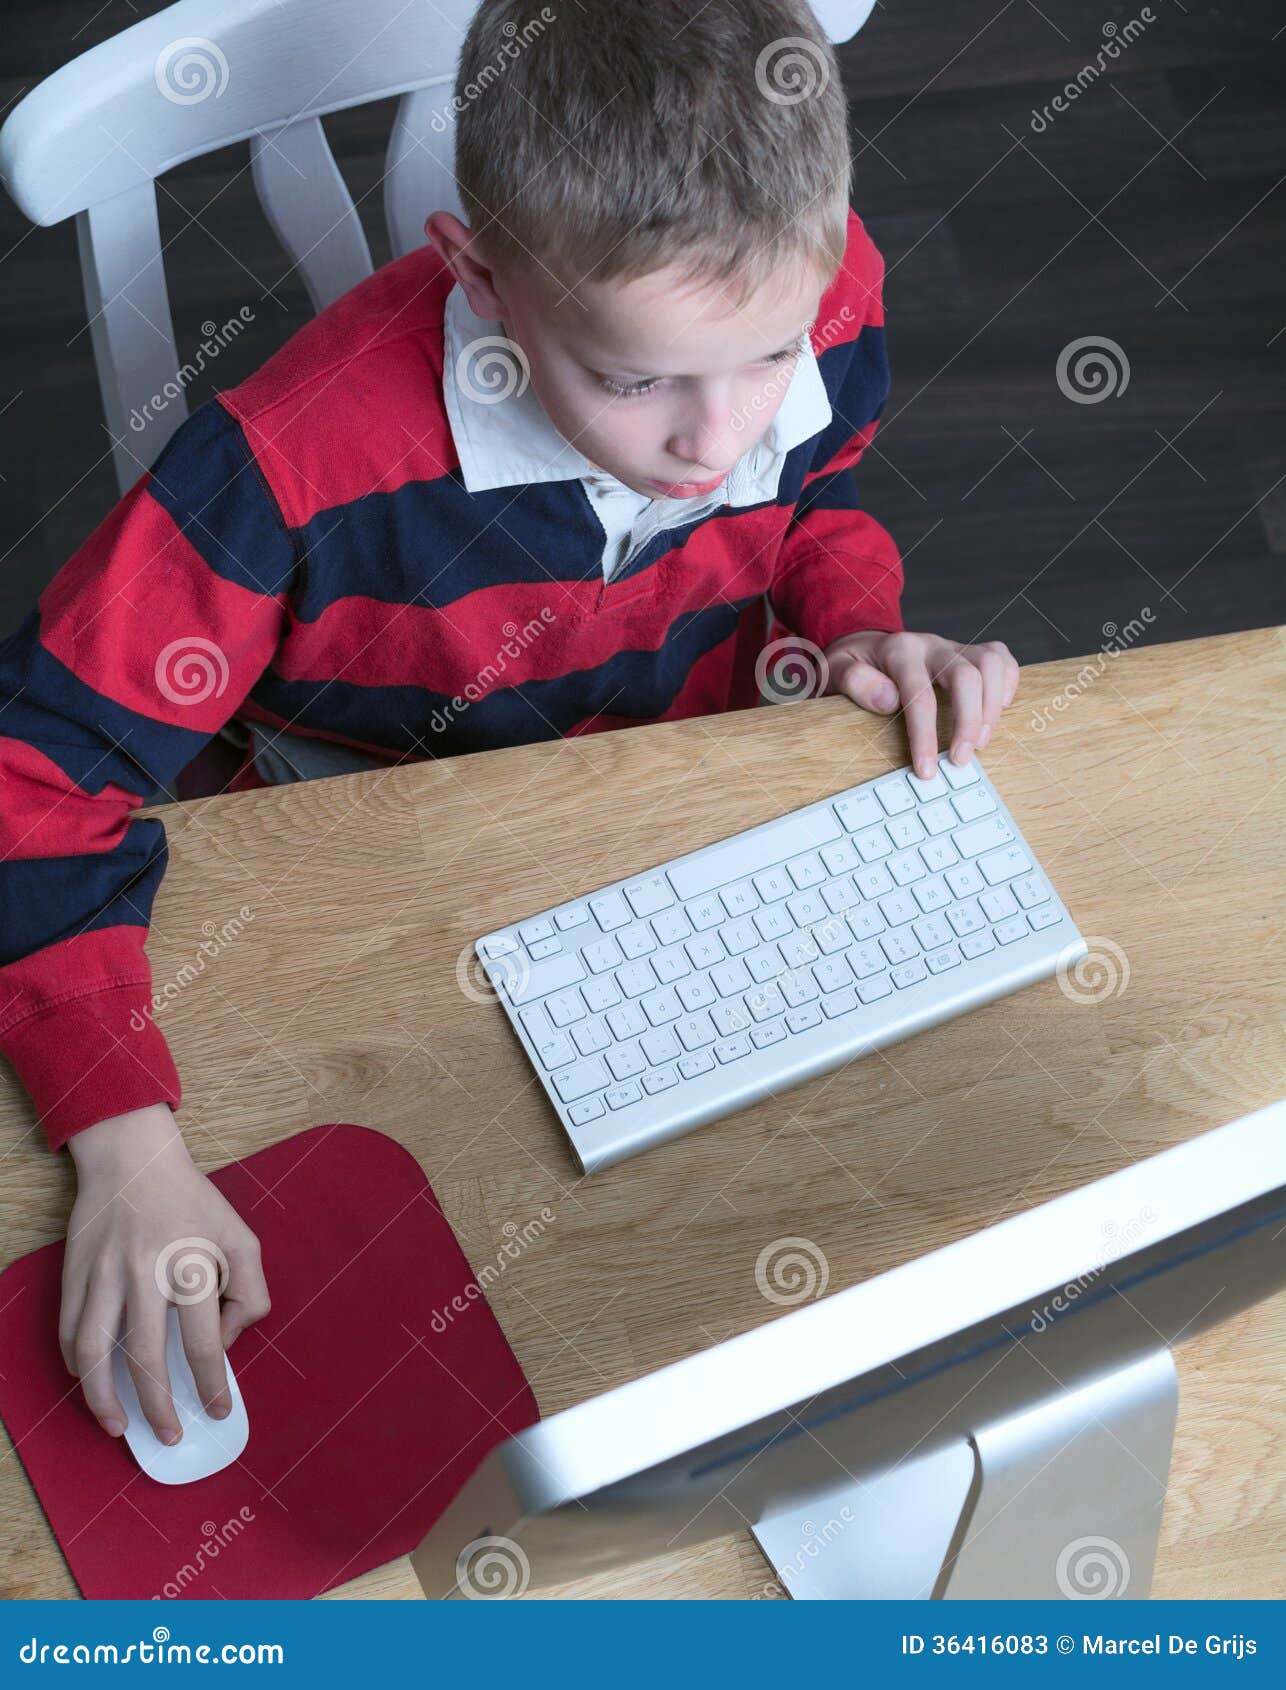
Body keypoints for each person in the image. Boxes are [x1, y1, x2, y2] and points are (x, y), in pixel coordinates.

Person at [0, 0, 1018, 1450]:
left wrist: (853, 625)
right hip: (357, 864)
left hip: (669, 817)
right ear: (472, 269)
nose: (717, 441)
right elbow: (28, 781)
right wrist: (126, 1144)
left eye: (768, 360)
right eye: (635, 377)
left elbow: (817, 499)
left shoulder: (816, 294)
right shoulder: (285, 469)